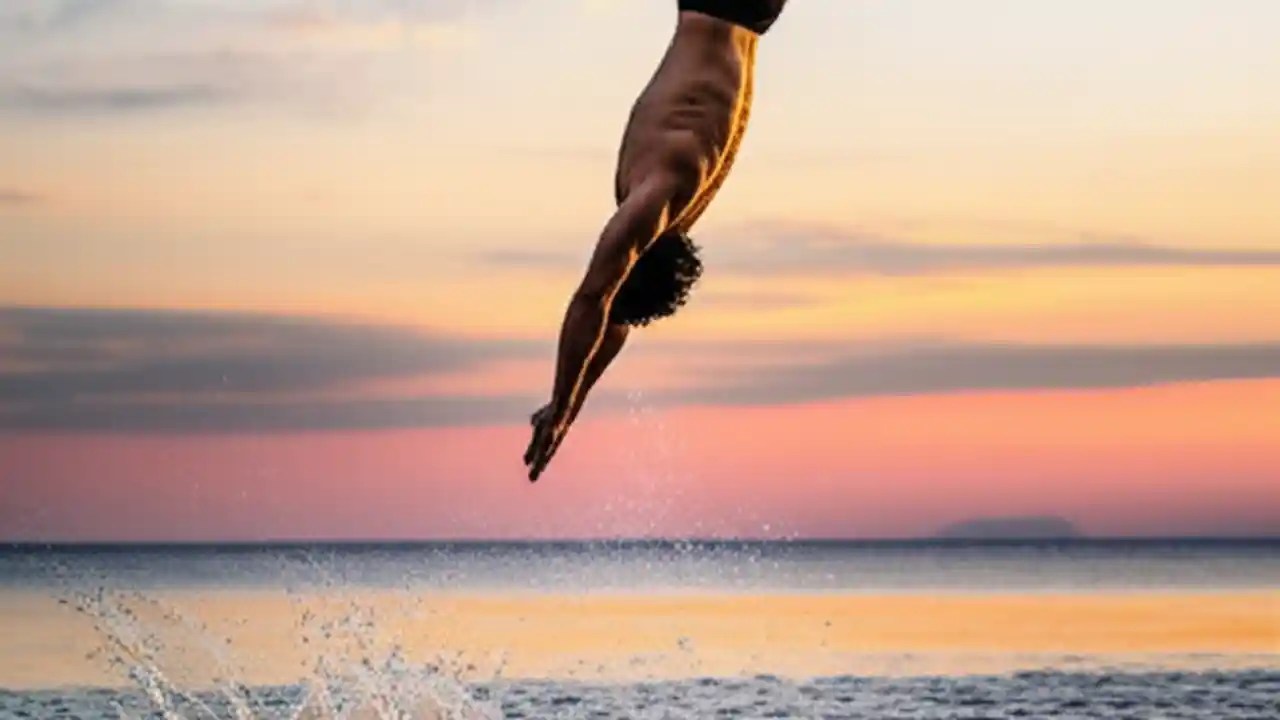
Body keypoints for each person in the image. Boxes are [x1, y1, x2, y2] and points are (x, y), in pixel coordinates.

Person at [524, 0, 790, 482]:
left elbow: (612, 321)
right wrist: (562, 404)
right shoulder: (655, 195)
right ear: (633, 259)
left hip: (754, 18)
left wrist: (569, 408)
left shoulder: (687, 203)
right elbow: (593, 301)